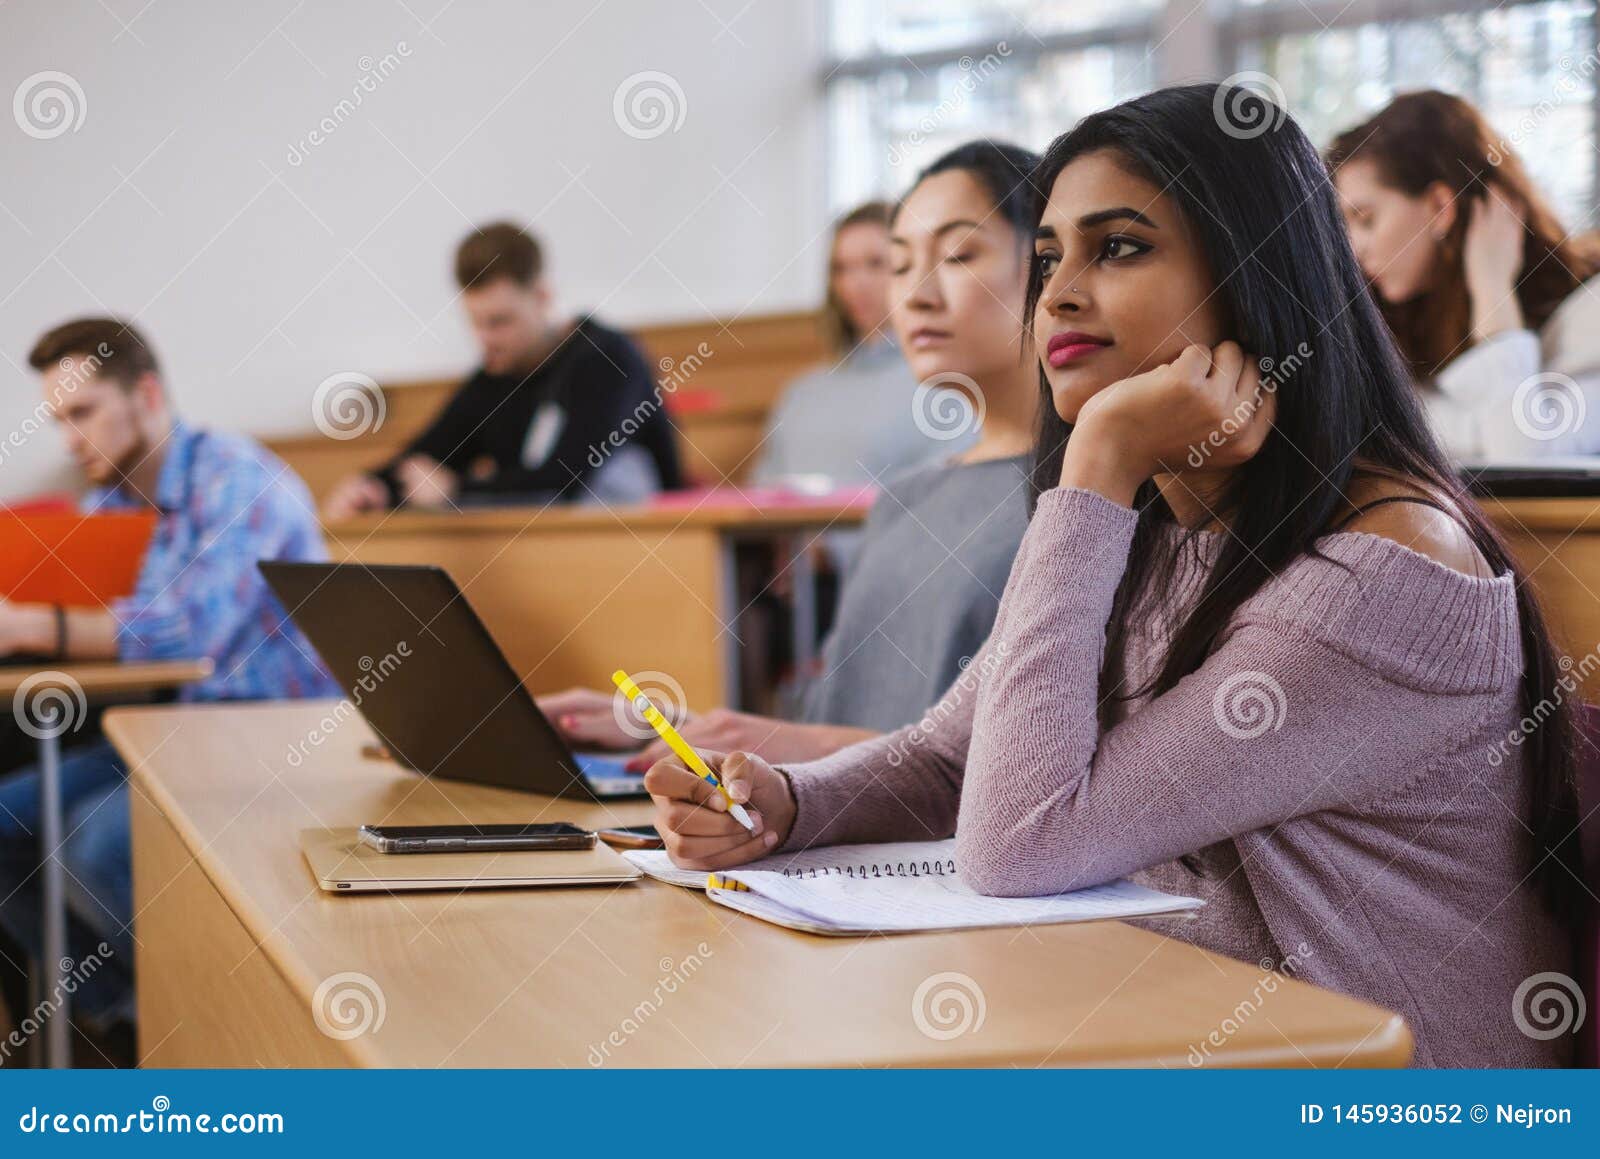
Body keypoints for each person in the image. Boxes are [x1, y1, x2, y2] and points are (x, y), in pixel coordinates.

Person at [644, 85, 1581, 1068]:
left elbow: (1017, 845)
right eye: (1048, 256)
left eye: (1118, 246)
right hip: (1178, 1042)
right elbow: (945, 757)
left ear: (1255, 273)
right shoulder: (1158, 524)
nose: (1057, 293)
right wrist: (786, 804)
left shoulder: (1382, 572)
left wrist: (1096, 462)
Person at [539, 142, 1040, 764]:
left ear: (1049, 267)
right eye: (903, 265)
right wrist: (672, 728)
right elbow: (835, 735)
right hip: (837, 840)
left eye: (960, 254)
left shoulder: (1075, 499)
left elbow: (1009, 772)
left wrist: (784, 745)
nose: (913, 294)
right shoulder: (903, 501)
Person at [0, 318, 339, 1044]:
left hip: (272, 733)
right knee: (6, 820)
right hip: (170, 728)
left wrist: (30, 626)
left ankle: (222, 1024)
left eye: (82, 413)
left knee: (97, 844)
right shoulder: (113, 504)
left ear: (146, 394)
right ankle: (132, 1015)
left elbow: (185, 633)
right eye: (59, 419)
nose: (68, 439)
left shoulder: (239, 480)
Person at [321, 222, 682, 518]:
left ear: (541, 297)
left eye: (500, 322)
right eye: (476, 324)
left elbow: (564, 481)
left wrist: (457, 490)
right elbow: (430, 455)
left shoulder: (609, 360)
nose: (486, 340)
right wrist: (372, 487)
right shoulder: (494, 378)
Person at [1328, 91, 1600, 461]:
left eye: (1366, 219)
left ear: (1441, 207)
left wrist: (1492, 289)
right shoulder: (1409, 327)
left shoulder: (1588, 313)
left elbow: (1521, 454)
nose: (1353, 249)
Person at [750, 200, 969, 487]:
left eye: (875, 263)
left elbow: (946, 499)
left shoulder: (947, 387)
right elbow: (761, 497)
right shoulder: (800, 393)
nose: (855, 283)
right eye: (841, 268)